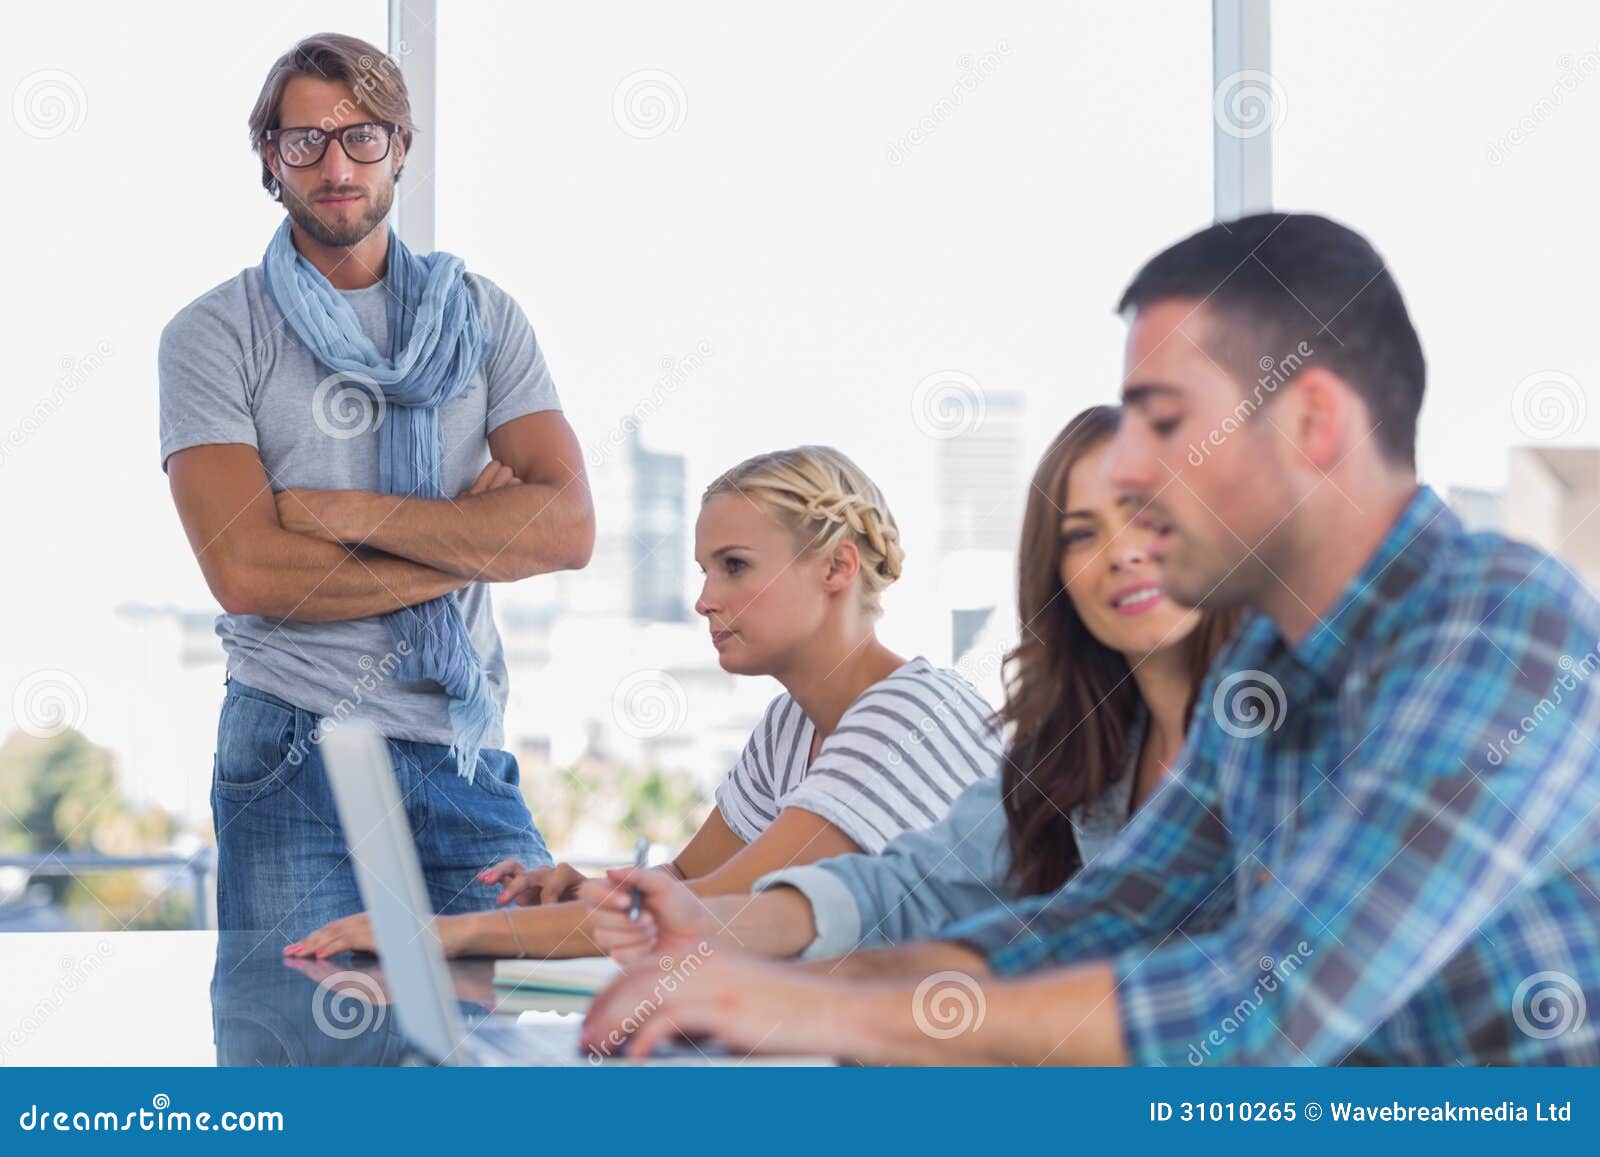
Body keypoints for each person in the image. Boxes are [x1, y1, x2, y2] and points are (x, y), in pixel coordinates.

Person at [580, 212, 1600, 1066]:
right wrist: (747, 980)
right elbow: (1094, 918)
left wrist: (812, 1010)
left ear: (1311, 422)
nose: (1135, 474)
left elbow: (1267, 1005)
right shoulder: (1269, 675)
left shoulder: (1504, 625)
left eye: (1165, 423)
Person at [158, 34, 595, 940]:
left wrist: (346, 517)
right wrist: (469, 541)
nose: (335, 162)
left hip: (461, 748)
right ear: (269, 162)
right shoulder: (212, 333)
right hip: (291, 743)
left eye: (361, 135)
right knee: (301, 1050)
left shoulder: (481, 316)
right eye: (304, 140)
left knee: (515, 1023)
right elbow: (247, 574)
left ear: (401, 148)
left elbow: (563, 530)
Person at [579, 407, 1239, 971]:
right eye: (1083, 533)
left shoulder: (1296, 732)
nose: (1121, 552)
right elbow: (906, 891)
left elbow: (1238, 997)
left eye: (1148, 515)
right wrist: (689, 923)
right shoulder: (1075, 756)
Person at [288, 445, 1002, 960]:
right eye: (704, 569)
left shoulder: (908, 716)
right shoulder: (792, 724)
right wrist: (582, 892)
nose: (703, 598)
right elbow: (687, 881)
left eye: (735, 566)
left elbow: (705, 915)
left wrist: (437, 934)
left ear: (838, 566)